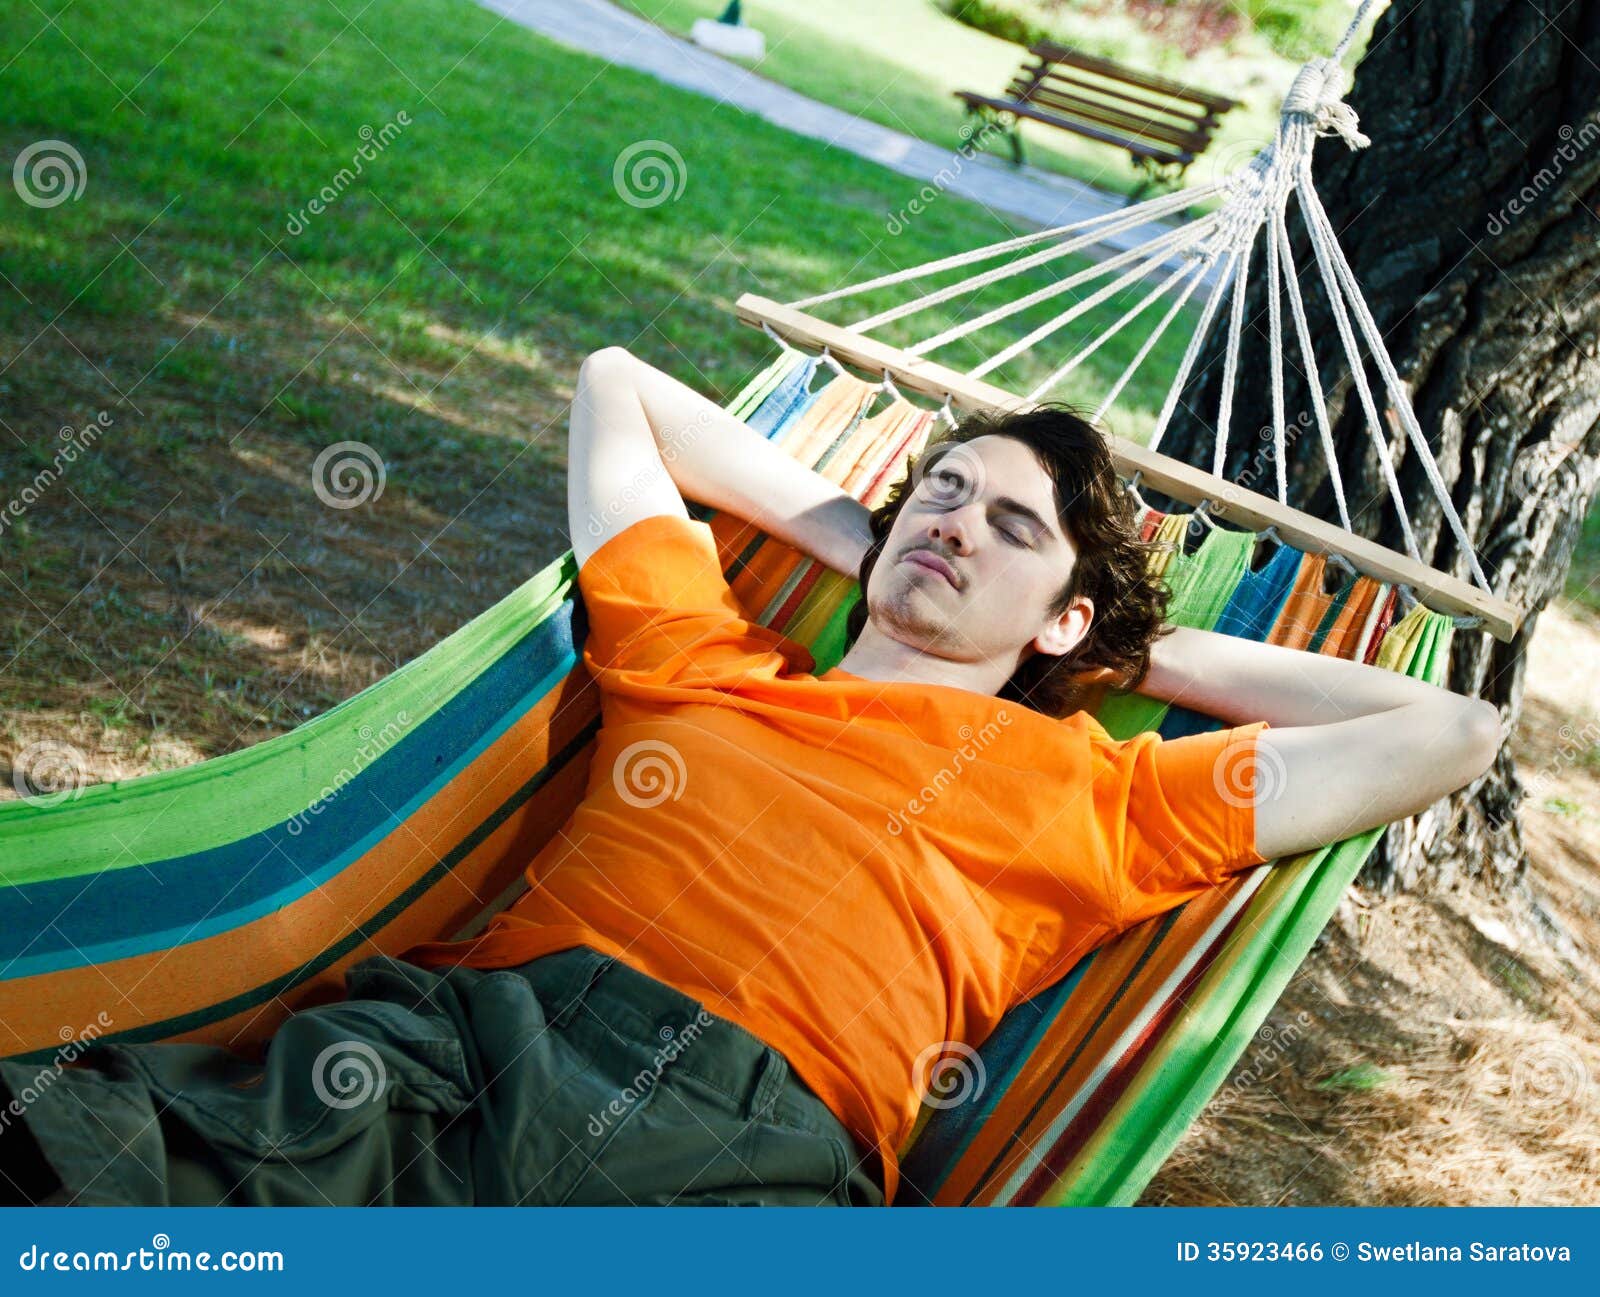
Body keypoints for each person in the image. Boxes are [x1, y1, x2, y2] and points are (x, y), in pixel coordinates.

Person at [0, 347, 1501, 1208]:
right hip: (466, 1056)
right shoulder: (701, 653)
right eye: (943, 491)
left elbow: (1447, 731)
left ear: (1064, 617)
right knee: (81, 1175)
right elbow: (616, 388)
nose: (956, 525)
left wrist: (1118, 660)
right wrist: (859, 528)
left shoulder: (1097, 796)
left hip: (750, 1157)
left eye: (1010, 529)